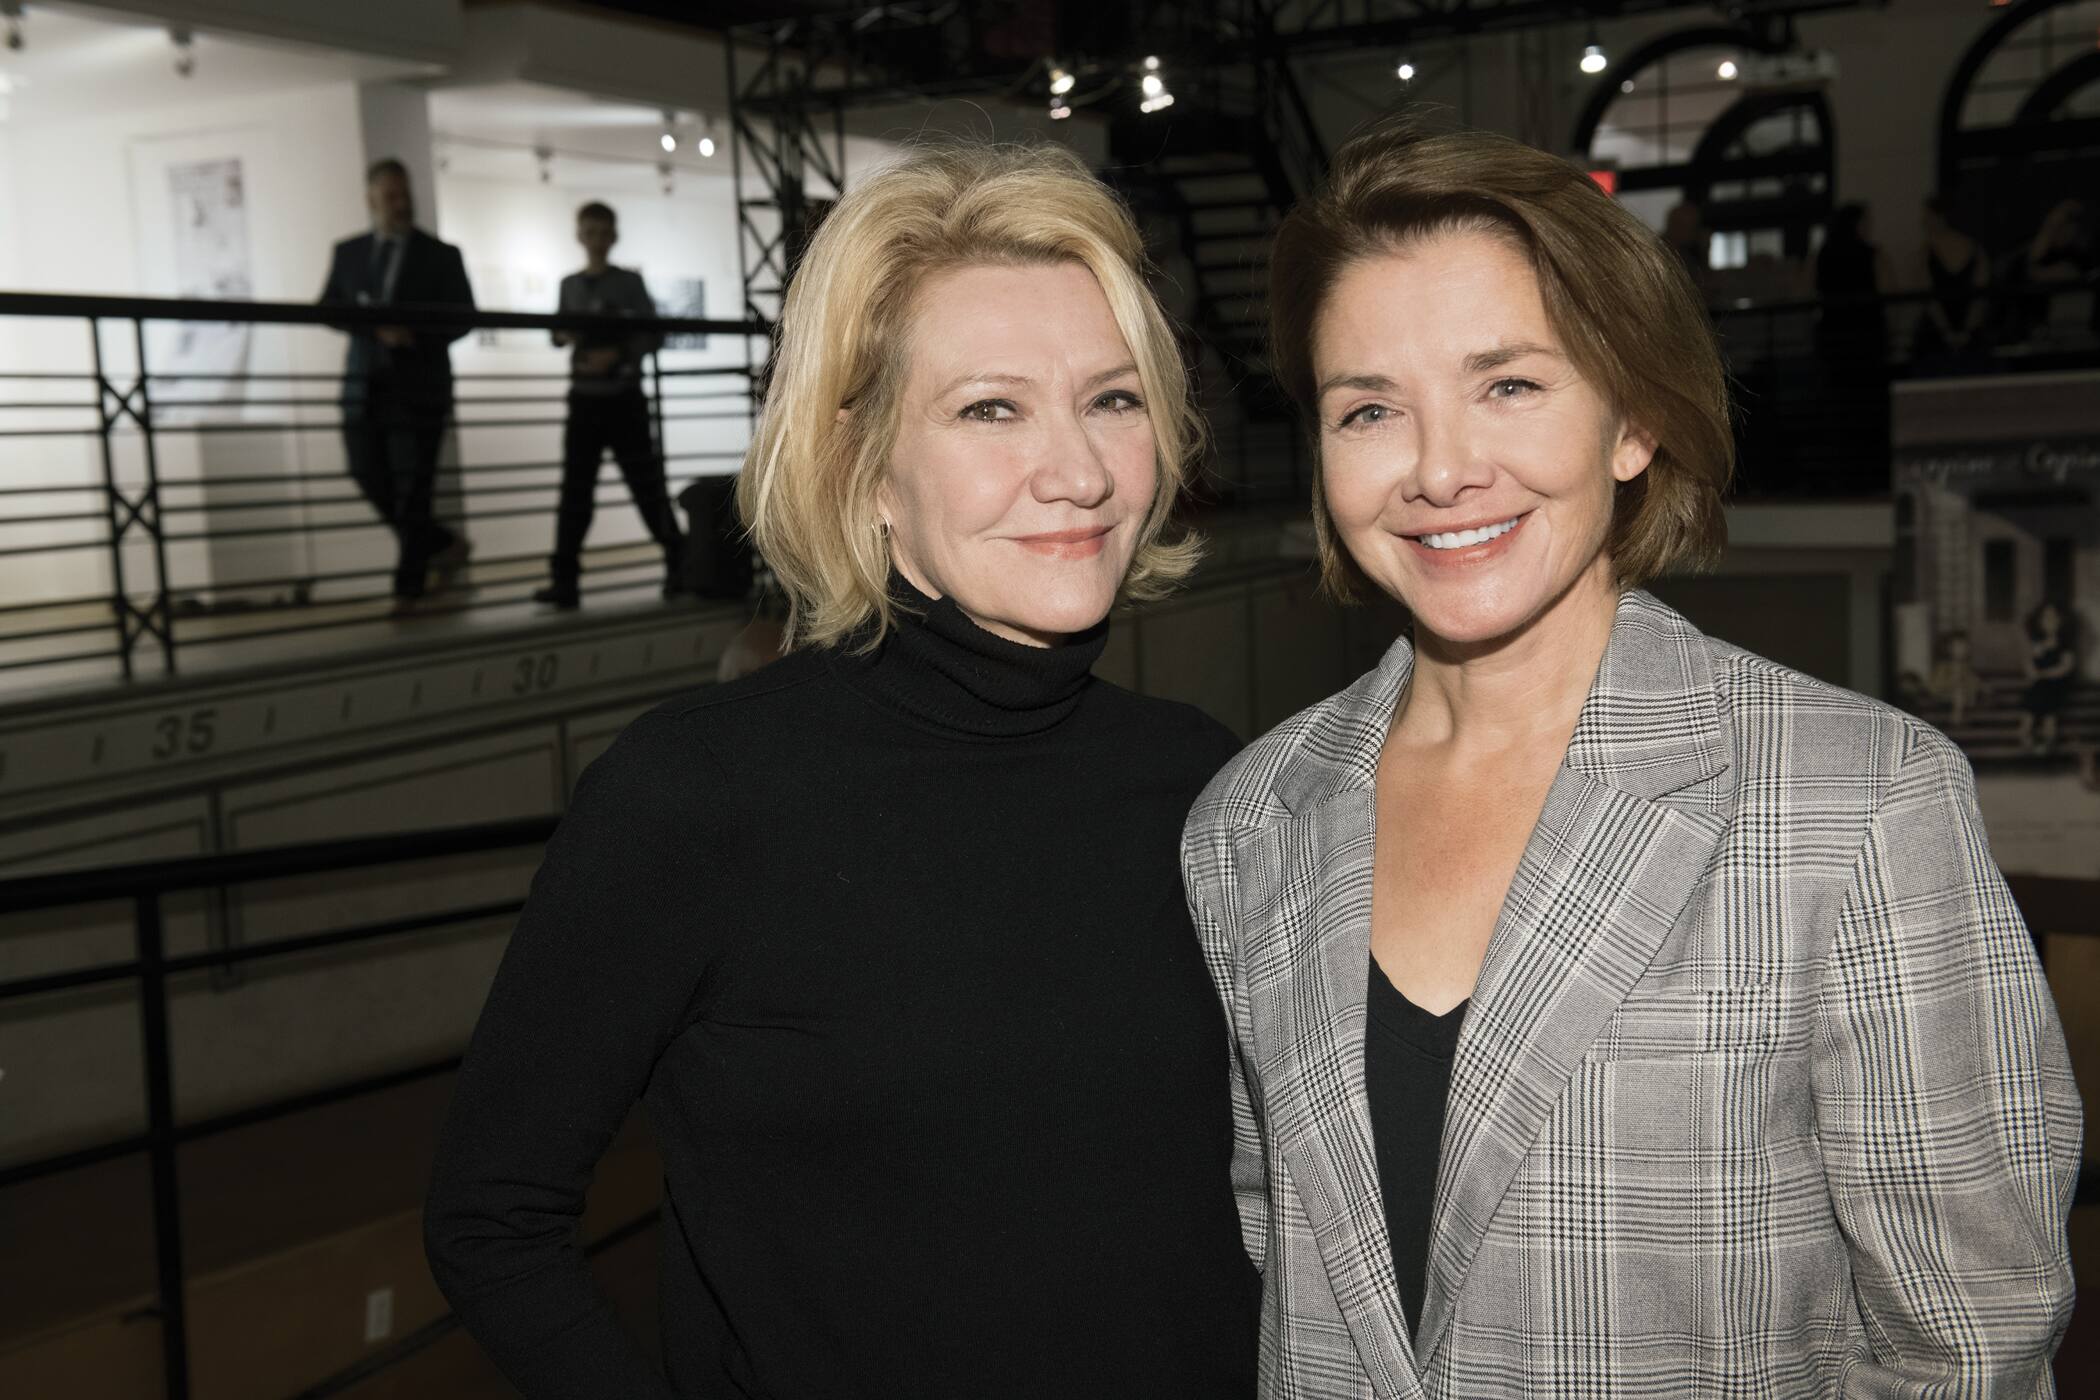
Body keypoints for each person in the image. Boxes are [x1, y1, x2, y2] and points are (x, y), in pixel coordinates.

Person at [1184, 121, 2080, 1398]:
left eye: (1510, 384)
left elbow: (1970, 1339)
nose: (1441, 468)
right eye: (1371, 408)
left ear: (1633, 422)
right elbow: (1276, 1253)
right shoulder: (1250, 818)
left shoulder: (1855, 798)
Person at [425, 141, 1260, 1399]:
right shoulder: (697, 797)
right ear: (866, 469)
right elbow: (492, 1215)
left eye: (1113, 397)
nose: (1079, 471)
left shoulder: (1203, 776)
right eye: (991, 407)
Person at [319, 158, 476, 610]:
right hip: (364, 387)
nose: (401, 204)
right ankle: (441, 544)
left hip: (418, 386)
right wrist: (374, 329)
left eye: (405, 194)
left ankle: (407, 590)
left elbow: (464, 316)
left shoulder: (441, 255)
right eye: (391, 196)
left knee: (414, 488)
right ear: (372, 200)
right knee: (365, 471)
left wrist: (416, 333)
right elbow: (329, 307)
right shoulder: (349, 253)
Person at [535, 201, 686, 610]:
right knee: (576, 491)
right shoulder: (570, 285)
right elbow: (557, 331)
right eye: (591, 232)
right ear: (580, 236)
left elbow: (653, 333)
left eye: (603, 232)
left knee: (644, 484)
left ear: (613, 236)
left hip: (622, 398)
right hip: (585, 398)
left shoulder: (628, 285)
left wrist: (617, 356)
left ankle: (680, 564)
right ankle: (564, 580)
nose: (598, 240)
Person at [1912, 196, 1992, 370]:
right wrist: (1966, 331)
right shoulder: (1975, 249)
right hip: (1964, 332)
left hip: (1938, 335)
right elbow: (1980, 296)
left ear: (1940, 217)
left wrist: (1948, 332)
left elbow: (1927, 296)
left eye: (1927, 216)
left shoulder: (1926, 253)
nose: (1923, 221)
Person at [2020, 599, 2079, 754]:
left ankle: (2047, 742)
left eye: (2054, 618)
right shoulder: (2038, 645)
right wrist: (2032, 670)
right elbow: (2029, 663)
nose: (2049, 622)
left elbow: (2066, 667)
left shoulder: (2064, 645)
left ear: (2062, 621)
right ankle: (2026, 738)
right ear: (2039, 622)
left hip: (2055, 685)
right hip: (2038, 686)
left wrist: (2044, 674)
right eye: (2045, 618)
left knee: (2049, 714)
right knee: (2030, 710)